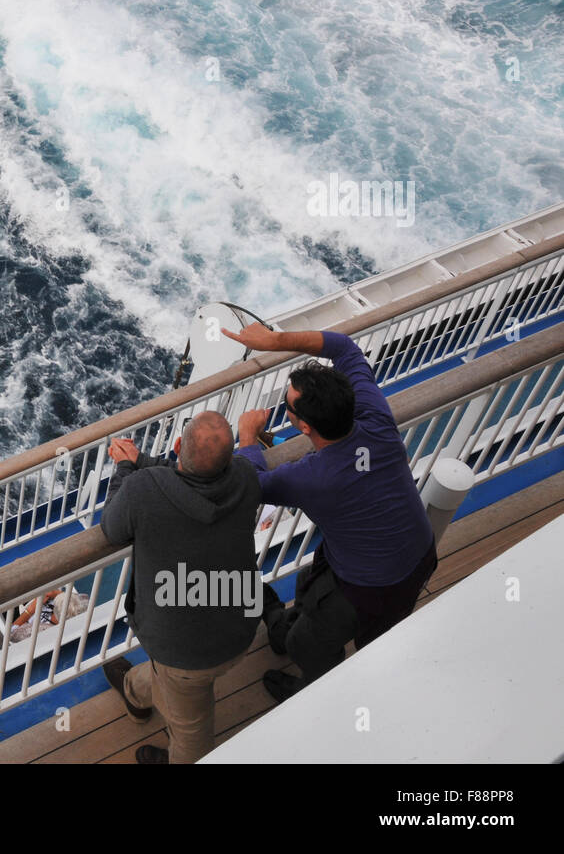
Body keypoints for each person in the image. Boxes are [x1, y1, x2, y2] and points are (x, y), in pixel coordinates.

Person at [224, 323, 438, 703]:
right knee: (365, 628)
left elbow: (251, 482)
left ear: (303, 425)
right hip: (420, 555)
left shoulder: (311, 477)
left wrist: (246, 438)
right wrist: (276, 341)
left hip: (371, 586)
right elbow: (345, 347)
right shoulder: (375, 418)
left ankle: (316, 695)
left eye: (286, 406)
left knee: (312, 646)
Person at [100, 411, 263, 764]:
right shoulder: (247, 477)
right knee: (175, 679)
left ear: (176, 448)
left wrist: (127, 468)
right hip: (241, 625)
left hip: (191, 651)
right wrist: (142, 461)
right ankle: (135, 691)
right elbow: (197, 477)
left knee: (192, 729)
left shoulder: (143, 490)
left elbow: (111, 528)